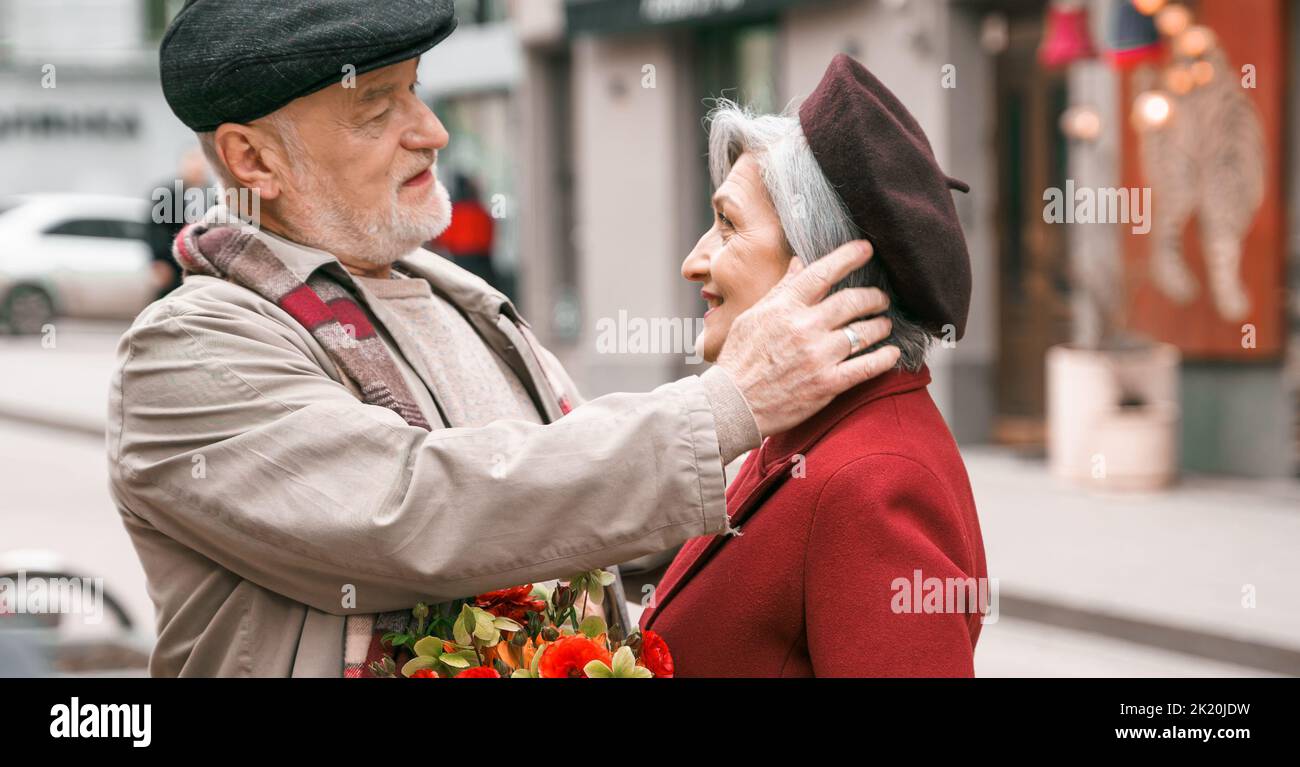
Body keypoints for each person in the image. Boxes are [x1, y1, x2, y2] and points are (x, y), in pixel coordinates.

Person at [107, 1, 900, 677]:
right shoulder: (187, 349)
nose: (432, 133)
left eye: (416, 91)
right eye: (377, 109)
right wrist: (727, 405)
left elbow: (595, 524)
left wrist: (822, 485)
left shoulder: (465, 300)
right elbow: (417, 513)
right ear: (254, 159)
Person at [639, 55, 989, 677]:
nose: (695, 261)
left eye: (727, 225)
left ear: (822, 265)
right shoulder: (805, 429)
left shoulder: (874, 480)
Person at [144, 147, 210, 299]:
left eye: (200, 164)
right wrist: (158, 261)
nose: (196, 168)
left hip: (205, 263)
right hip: (172, 262)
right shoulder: (167, 194)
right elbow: (155, 229)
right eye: (191, 163)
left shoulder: (215, 194)